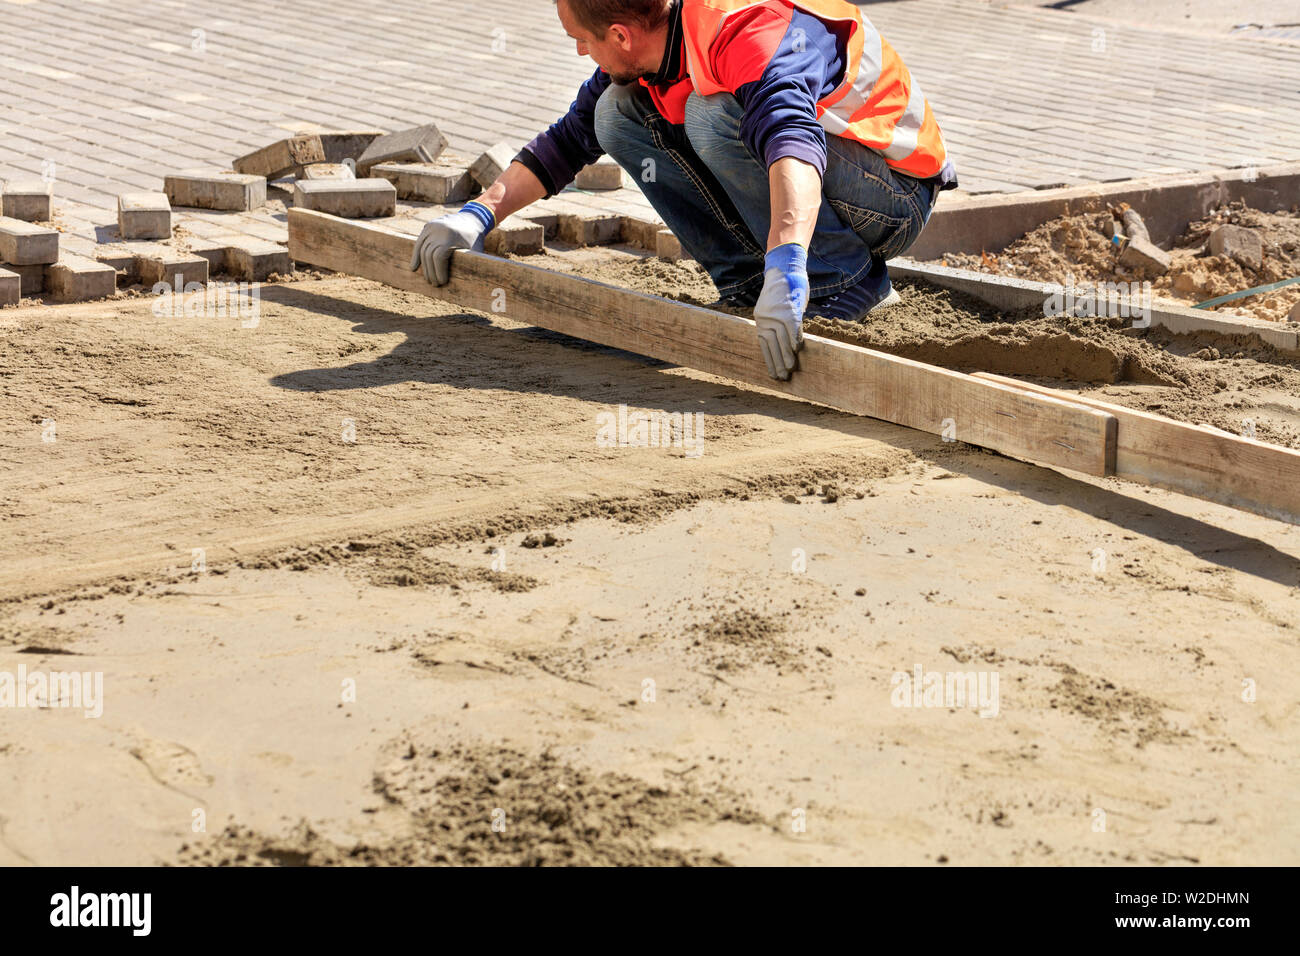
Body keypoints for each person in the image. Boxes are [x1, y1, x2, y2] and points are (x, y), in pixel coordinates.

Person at [410, 0, 957, 381]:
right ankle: (748, 284)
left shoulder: (741, 33)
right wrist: (479, 214)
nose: (580, 52)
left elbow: (793, 142)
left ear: (621, 35)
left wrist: (788, 263)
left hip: (896, 191)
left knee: (714, 115)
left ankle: (844, 281)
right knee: (614, 113)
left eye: (582, 40)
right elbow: (569, 140)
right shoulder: (661, 36)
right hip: (836, 174)